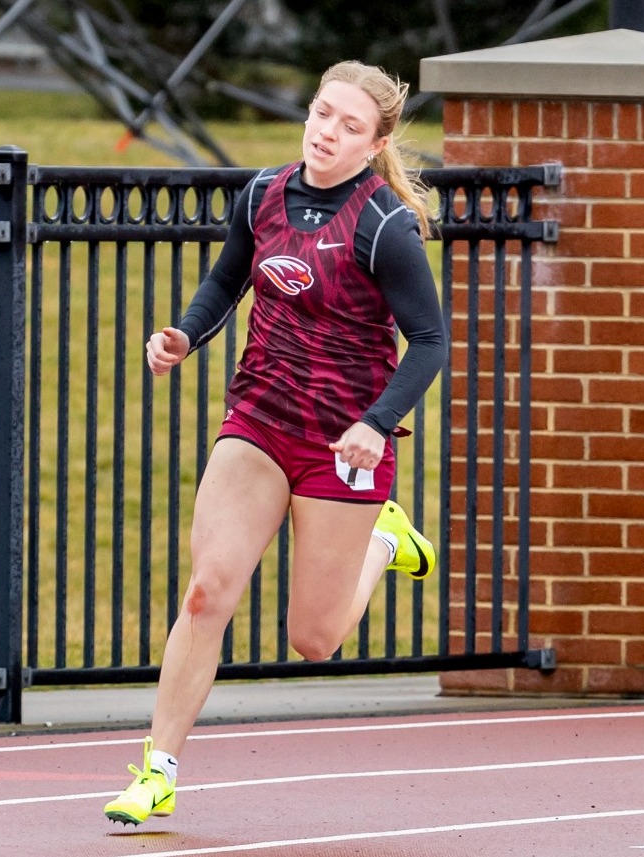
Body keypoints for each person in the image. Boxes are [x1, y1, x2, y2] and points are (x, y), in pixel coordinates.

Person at [103, 59, 447, 826]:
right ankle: (157, 770)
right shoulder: (262, 194)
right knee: (205, 591)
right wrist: (183, 336)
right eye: (323, 114)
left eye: (349, 125)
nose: (328, 132)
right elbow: (228, 282)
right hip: (258, 422)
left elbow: (428, 341)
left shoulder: (384, 225)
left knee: (314, 639)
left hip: (344, 446)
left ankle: (385, 540)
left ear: (376, 141)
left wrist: (373, 421)